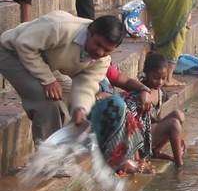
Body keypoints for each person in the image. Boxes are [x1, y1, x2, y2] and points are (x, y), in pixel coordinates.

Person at [0, 11, 125, 142]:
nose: (100, 52)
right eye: (98, 44)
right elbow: (23, 44)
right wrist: (48, 80)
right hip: (11, 52)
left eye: (107, 50)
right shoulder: (61, 27)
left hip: (43, 62)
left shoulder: (102, 60)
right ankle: (47, 156)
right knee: (48, 102)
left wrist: (80, 108)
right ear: (90, 32)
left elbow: (86, 84)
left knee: (68, 94)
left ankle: (64, 147)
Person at [91, 53, 186, 171]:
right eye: (156, 78)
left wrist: (173, 136)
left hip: (148, 130)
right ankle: (180, 167)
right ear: (146, 74)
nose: (160, 82)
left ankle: (157, 150)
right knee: (174, 124)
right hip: (139, 139)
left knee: (179, 115)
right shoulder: (140, 94)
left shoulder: (160, 92)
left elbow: (155, 118)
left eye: (163, 78)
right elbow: (131, 122)